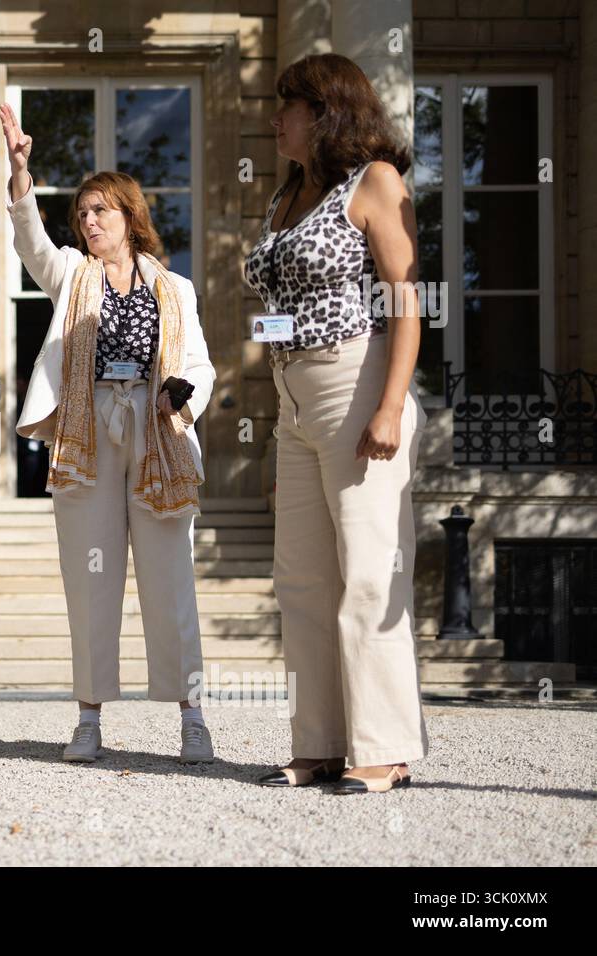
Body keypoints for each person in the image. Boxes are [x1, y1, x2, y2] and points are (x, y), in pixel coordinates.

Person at [0, 103, 217, 765]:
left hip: (157, 431)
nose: (89, 221)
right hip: (87, 429)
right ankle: (89, 718)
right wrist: (19, 171)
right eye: (82, 214)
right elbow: (31, 242)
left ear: (130, 216)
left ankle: (192, 718)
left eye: (101, 211)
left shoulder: (175, 288)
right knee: (89, 579)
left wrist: (184, 394)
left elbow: (199, 363)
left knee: (170, 579)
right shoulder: (71, 273)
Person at [244, 53, 429, 794]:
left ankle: (383, 746)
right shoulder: (287, 194)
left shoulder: (374, 181)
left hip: (356, 381)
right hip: (291, 396)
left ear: (325, 111)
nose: (275, 120)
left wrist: (390, 405)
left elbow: (407, 299)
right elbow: (277, 303)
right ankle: (318, 742)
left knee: (369, 571)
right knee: (302, 579)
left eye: (286, 106)